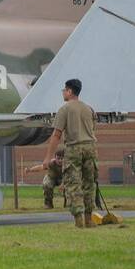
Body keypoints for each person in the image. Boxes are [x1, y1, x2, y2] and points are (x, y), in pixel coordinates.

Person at [41, 78, 98, 228]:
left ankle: (79, 220)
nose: (63, 93)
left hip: (74, 148)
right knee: (89, 183)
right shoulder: (89, 109)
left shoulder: (64, 109)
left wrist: (48, 158)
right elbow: (93, 130)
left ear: (69, 91)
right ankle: (89, 219)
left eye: (64, 90)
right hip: (90, 147)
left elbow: (56, 135)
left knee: (73, 184)